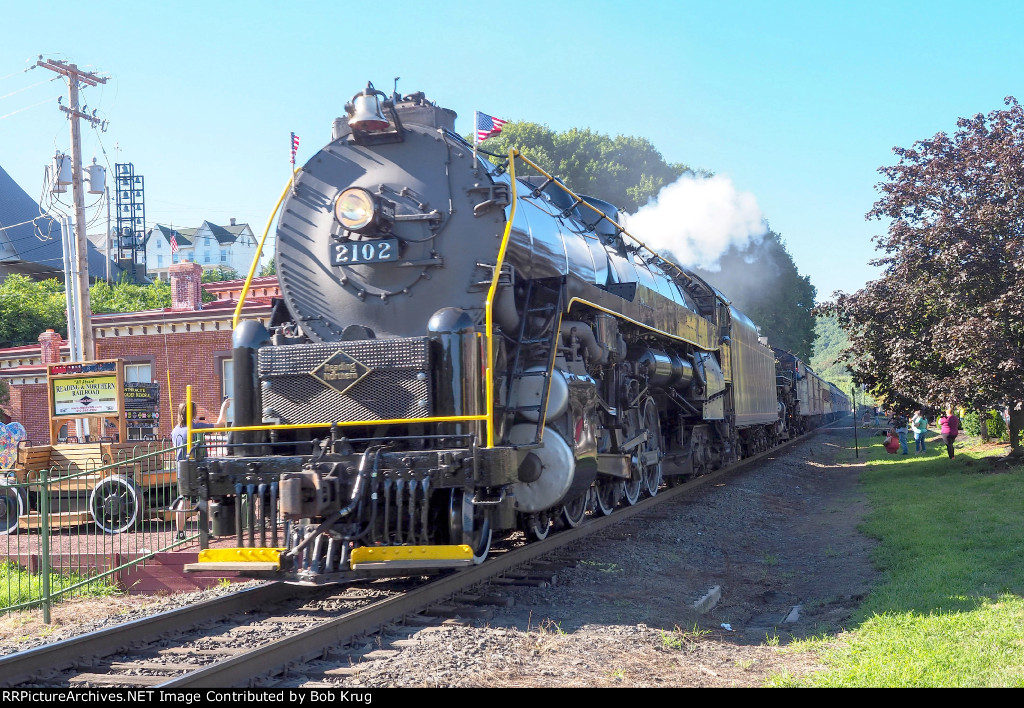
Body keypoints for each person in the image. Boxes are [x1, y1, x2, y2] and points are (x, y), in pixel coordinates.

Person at [170, 398, 230, 539]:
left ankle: (180, 533)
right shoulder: (195, 428)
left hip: (182, 468)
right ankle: (203, 532)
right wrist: (224, 408)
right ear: (192, 413)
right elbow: (221, 425)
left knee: (183, 500)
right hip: (197, 468)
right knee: (202, 498)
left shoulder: (175, 431)